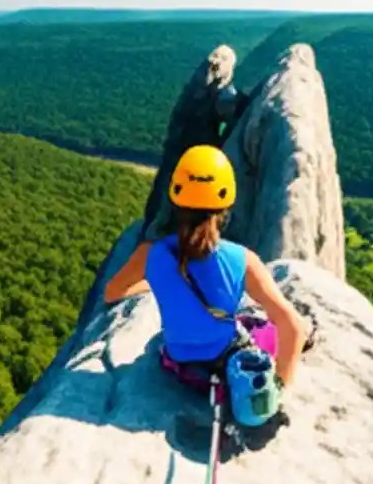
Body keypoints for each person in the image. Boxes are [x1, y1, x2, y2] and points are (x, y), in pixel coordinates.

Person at [103, 144, 309, 390]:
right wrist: (278, 389)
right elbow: (293, 327)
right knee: (278, 328)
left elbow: (112, 292)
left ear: (175, 194)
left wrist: (154, 284)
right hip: (226, 363)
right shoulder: (243, 260)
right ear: (226, 201)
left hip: (178, 363)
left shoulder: (150, 254)